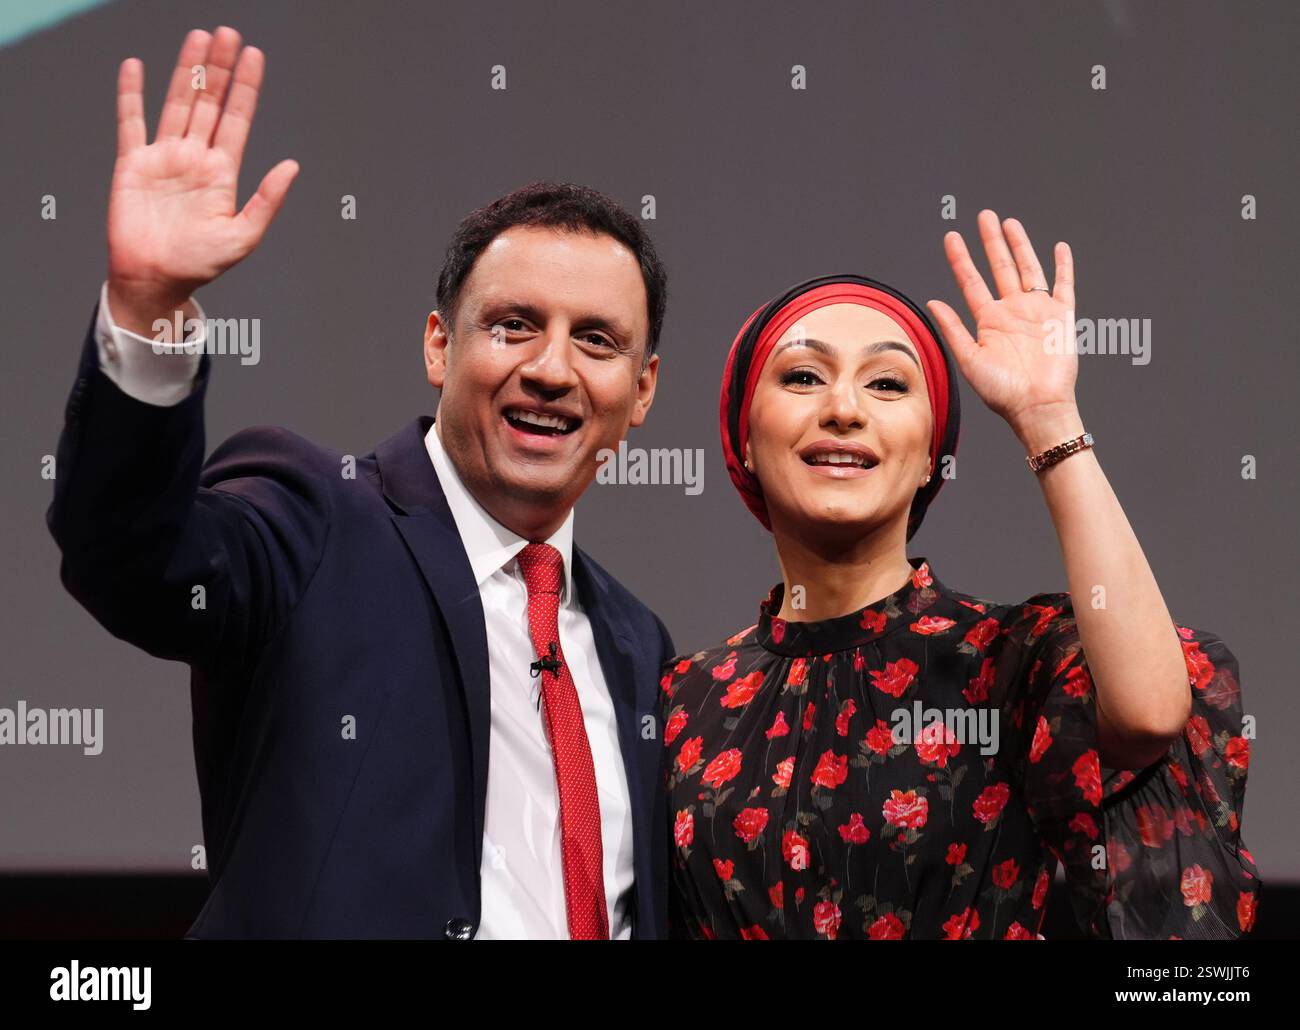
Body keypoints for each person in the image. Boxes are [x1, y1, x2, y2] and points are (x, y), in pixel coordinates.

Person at [47, 26, 674, 939]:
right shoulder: (313, 520)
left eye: (597, 340)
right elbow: (126, 558)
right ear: (438, 345)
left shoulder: (639, 647)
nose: (550, 369)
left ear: (642, 391)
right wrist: (148, 309)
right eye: (512, 325)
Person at [659, 214, 1260, 939]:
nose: (843, 409)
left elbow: (1150, 711)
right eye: (803, 376)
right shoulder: (681, 702)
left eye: (886, 383)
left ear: (928, 457)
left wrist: (1048, 418)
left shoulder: (1005, 662)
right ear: (744, 440)